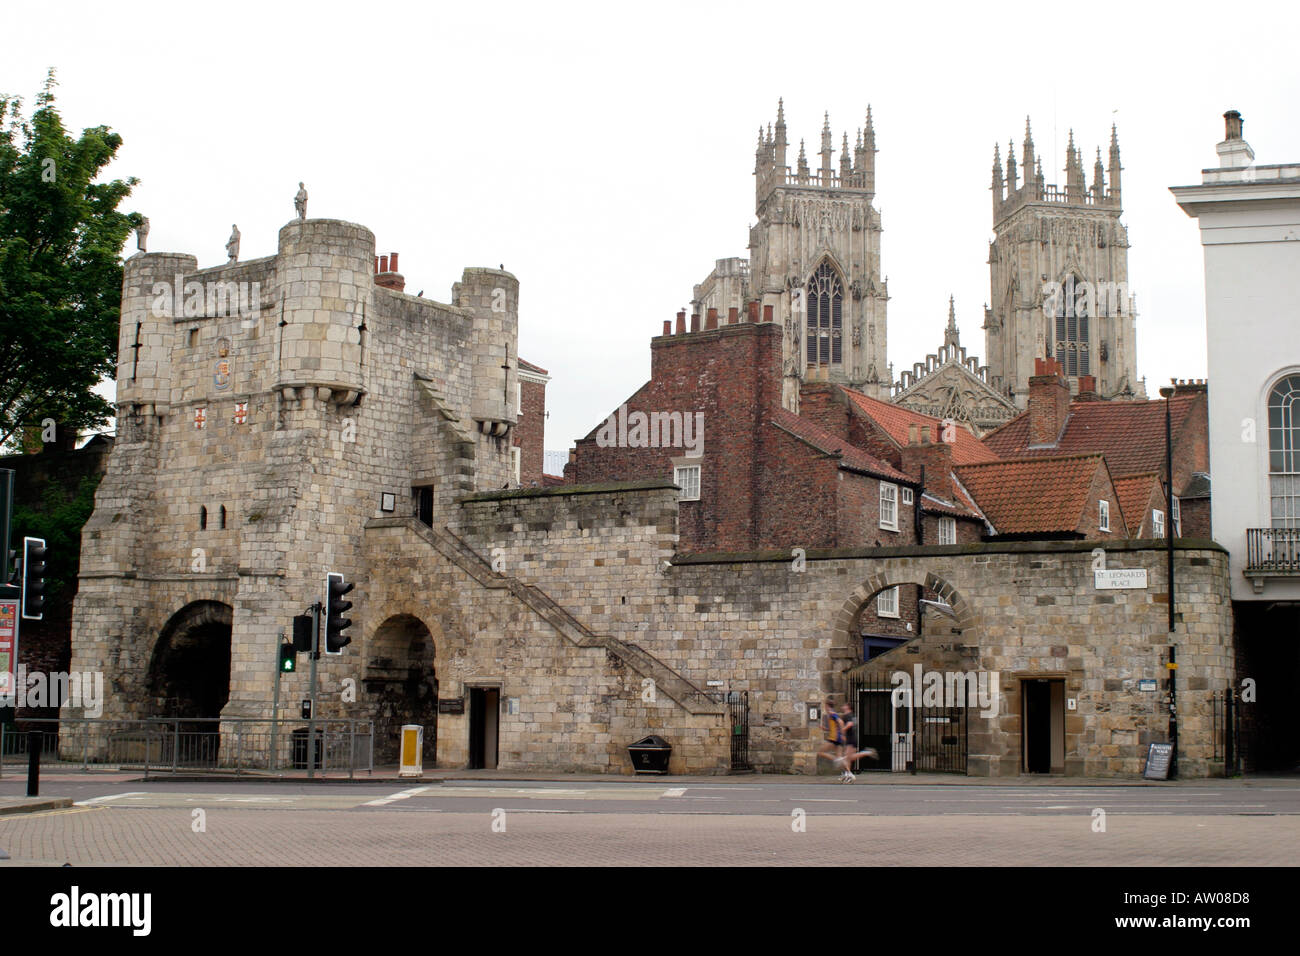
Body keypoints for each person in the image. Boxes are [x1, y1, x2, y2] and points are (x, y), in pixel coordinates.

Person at [838, 702, 879, 782]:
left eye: (844, 705)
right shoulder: (851, 715)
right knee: (849, 758)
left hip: (850, 739)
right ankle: (848, 774)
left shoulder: (848, 715)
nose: (843, 706)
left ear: (848, 707)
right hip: (852, 738)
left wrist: (843, 729)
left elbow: (850, 724)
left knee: (846, 758)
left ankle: (849, 773)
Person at [816, 697, 846, 772]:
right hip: (837, 738)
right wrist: (824, 728)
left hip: (834, 738)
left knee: (820, 752)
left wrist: (843, 734)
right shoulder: (830, 714)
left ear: (827, 706)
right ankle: (848, 773)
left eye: (825, 706)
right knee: (839, 758)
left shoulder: (832, 714)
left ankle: (836, 760)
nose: (825, 708)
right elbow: (833, 727)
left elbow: (841, 722)